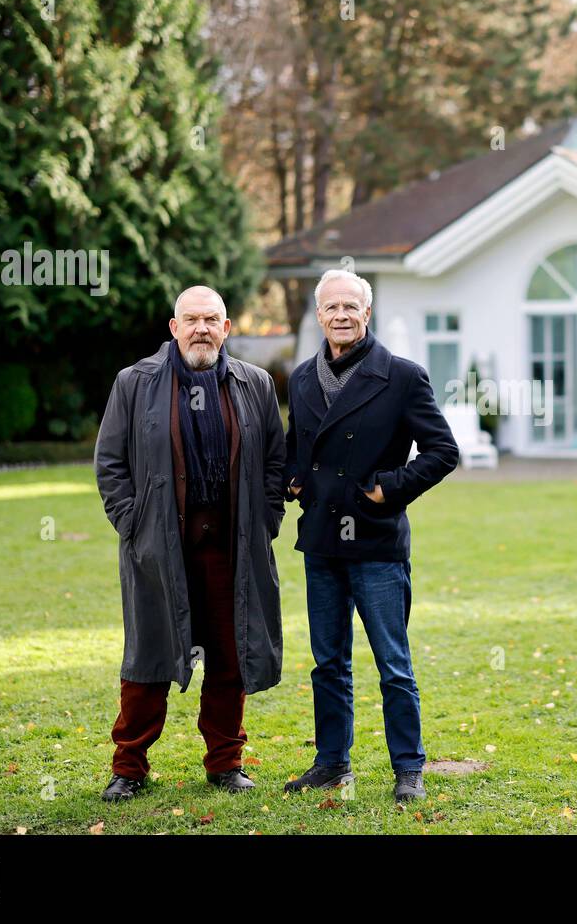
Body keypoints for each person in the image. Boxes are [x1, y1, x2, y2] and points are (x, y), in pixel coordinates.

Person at [93, 285, 288, 801]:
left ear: (227, 329)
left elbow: (274, 459)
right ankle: (128, 767)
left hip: (232, 548)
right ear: (174, 328)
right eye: (191, 319)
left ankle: (225, 762)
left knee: (230, 656)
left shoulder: (256, 385)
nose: (202, 328)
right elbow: (110, 462)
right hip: (160, 548)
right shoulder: (134, 384)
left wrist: (266, 517)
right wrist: (132, 524)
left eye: (212, 319)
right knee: (149, 657)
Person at [282, 269, 459, 803]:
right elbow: (299, 443)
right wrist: (294, 477)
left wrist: (389, 488)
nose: (341, 315)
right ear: (319, 315)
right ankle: (332, 763)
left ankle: (409, 767)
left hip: (376, 542)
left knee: (393, 663)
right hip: (321, 542)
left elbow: (443, 452)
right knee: (328, 661)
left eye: (351, 307)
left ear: (367, 313)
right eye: (331, 307)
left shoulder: (402, 376)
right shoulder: (302, 378)